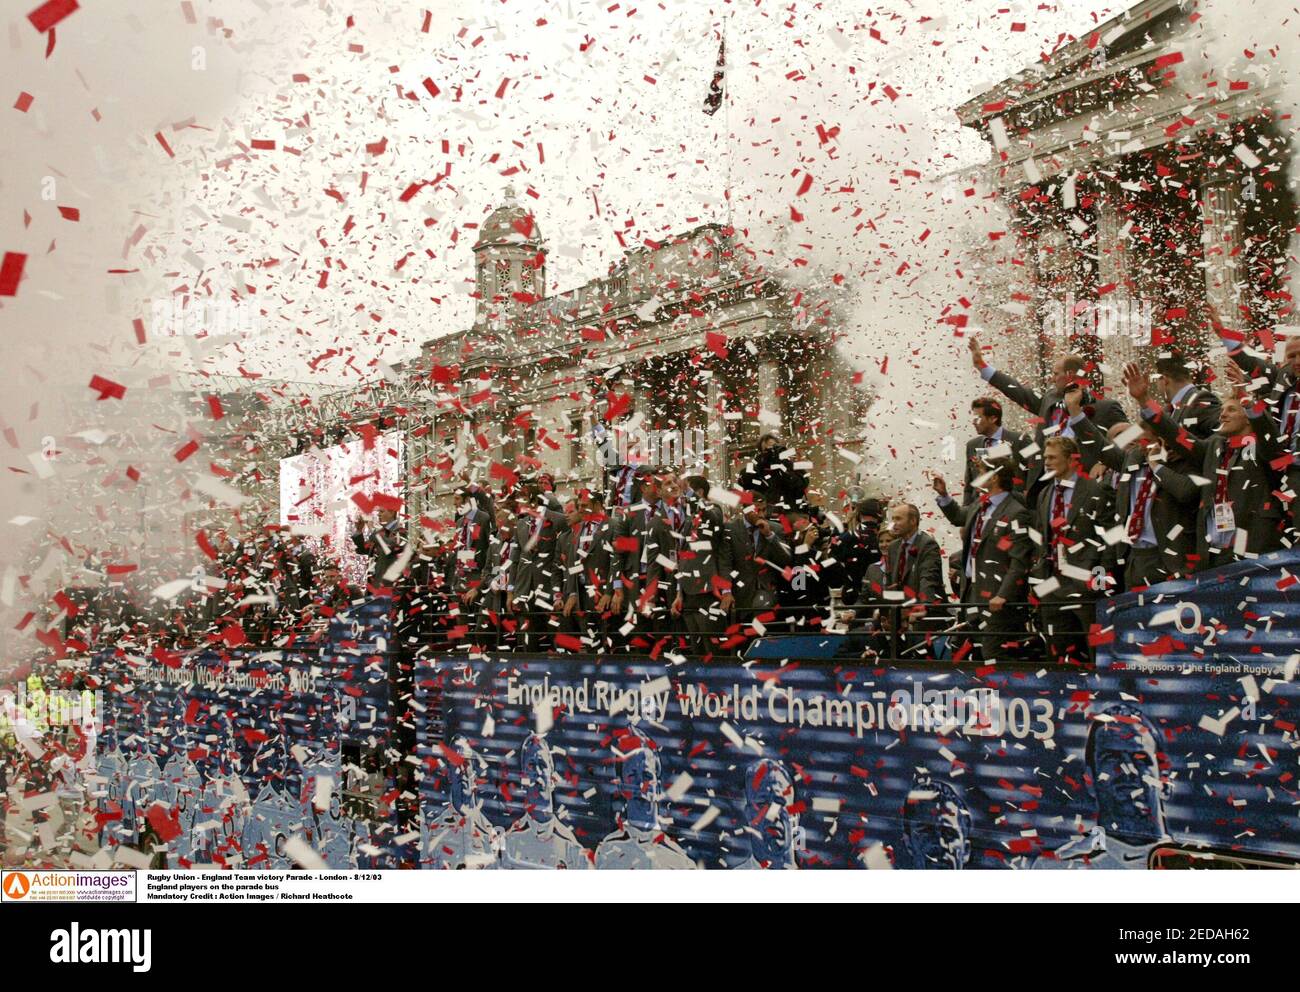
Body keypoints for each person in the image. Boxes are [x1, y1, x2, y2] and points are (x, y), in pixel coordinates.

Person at [1127, 361, 1285, 570]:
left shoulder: (1263, 447)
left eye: (1231, 410)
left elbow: (1268, 434)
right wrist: (1144, 400)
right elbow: (1177, 435)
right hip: (1214, 556)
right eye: (1222, 410)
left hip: (1254, 553)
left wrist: (1247, 399)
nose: (1222, 414)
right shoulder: (1213, 447)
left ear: (1248, 419)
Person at [968, 333, 1125, 496]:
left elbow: (1130, 434)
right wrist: (983, 367)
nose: (1052, 379)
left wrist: (1104, 462)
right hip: (1045, 487)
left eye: (1056, 374)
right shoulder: (1049, 401)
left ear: (1070, 375)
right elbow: (1018, 391)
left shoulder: (1106, 408)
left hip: (1084, 488)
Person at [1070, 401, 1199, 589]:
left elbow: (1186, 492)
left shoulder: (1179, 463)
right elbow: (1099, 446)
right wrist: (1074, 410)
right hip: (1134, 559)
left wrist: (1157, 466)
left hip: (1168, 559)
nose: (1140, 445)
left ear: (1162, 439)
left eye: (1145, 440)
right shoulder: (1132, 460)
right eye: (1138, 440)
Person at [1035, 704, 1169, 869]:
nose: (1128, 770)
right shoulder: (1058, 868)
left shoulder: (1195, 862)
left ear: (1165, 781)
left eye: (1140, 759)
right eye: (1112, 759)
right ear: (1089, 780)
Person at [933, 461, 1031, 654]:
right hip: (971, 593)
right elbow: (959, 517)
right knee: (974, 655)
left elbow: (1019, 561)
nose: (976, 475)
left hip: (997, 599)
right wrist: (944, 495)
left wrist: (1003, 595)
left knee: (993, 656)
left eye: (981, 471)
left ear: (994, 477)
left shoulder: (1016, 512)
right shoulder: (980, 503)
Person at [1030, 436, 1113, 663]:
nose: (1046, 462)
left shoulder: (1096, 490)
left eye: (1052, 457)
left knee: (1095, 655)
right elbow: (1040, 539)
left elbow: (1110, 537)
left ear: (1071, 459)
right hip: (1051, 586)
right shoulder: (1044, 494)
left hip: (1085, 586)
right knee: (1057, 657)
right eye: (1045, 457)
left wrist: (1100, 578)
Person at [1215, 311, 1300, 531]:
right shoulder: (1283, 378)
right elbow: (1246, 360)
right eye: (1291, 356)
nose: (1296, 361)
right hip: (1287, 474)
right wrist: (1223, 332)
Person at [594, 724, 695, 869]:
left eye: (647, 775)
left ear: (658, 786)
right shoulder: (607, 853)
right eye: (632, 775)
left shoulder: (680, 862)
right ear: (621, 787)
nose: (642, 785)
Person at [500, 733, 591, 869]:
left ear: (553, 778)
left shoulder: (571, 847)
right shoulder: (509, 843)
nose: (537, 772)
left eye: (542, 764)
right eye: (531, 765)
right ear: (523, 778)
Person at [670, 477, 731, 655]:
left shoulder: (714, 511)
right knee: (696, 651)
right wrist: (679, 593)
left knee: (713, 650)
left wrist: (688, 491)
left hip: (708, 592)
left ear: (700, 493)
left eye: (685, 494)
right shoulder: (687, 519)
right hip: (688, 594)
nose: (682, 498)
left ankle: (718, 682)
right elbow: (683, 558)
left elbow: (712, 519)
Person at [718, 492, 792, 626]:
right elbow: (725, 563)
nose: (762, 515)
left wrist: (769, 536)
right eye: (757, 510)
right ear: (745, 510)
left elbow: (786, 559)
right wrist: (726, 591)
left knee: (760, 618)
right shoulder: (730, 529)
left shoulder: (776, 529)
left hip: (765, 589)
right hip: (740, 590)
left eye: (764, 510)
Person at [963, 397, 1026, 505]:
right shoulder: (972, 445)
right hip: (980, 509)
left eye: (978, 418)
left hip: (1010, 510)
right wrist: (967, 512)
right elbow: (969, 485)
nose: (974, 422)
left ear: (993, 419)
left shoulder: (1019, 440)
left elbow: (1036, 468)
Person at [1153, 352, 1221, 439]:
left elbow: (1223, 436)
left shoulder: (1201, 399)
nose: (1157, 386)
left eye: (1156, 380)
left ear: (1164, 380)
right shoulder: (1169, 411)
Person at [738, 433, 808, 512]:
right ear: (761, 452)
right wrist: (761, 463)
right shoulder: (759, 469)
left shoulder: (791, 466)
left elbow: (802, 484)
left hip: (791, 513)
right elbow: (743, 480)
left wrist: (783, 465)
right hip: (768, 513)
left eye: (774, 447)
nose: (772, 452)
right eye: (767, 450)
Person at [352, 505, 408, 591]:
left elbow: (389, 548)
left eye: (381, 512)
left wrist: (373, 530)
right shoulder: (379, 533)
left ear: (392, 512)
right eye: (378, 512)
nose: (378, 515)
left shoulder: (400, 531)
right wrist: (359, 531)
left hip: (390, 585)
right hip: (375, 583)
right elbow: (362, 549)